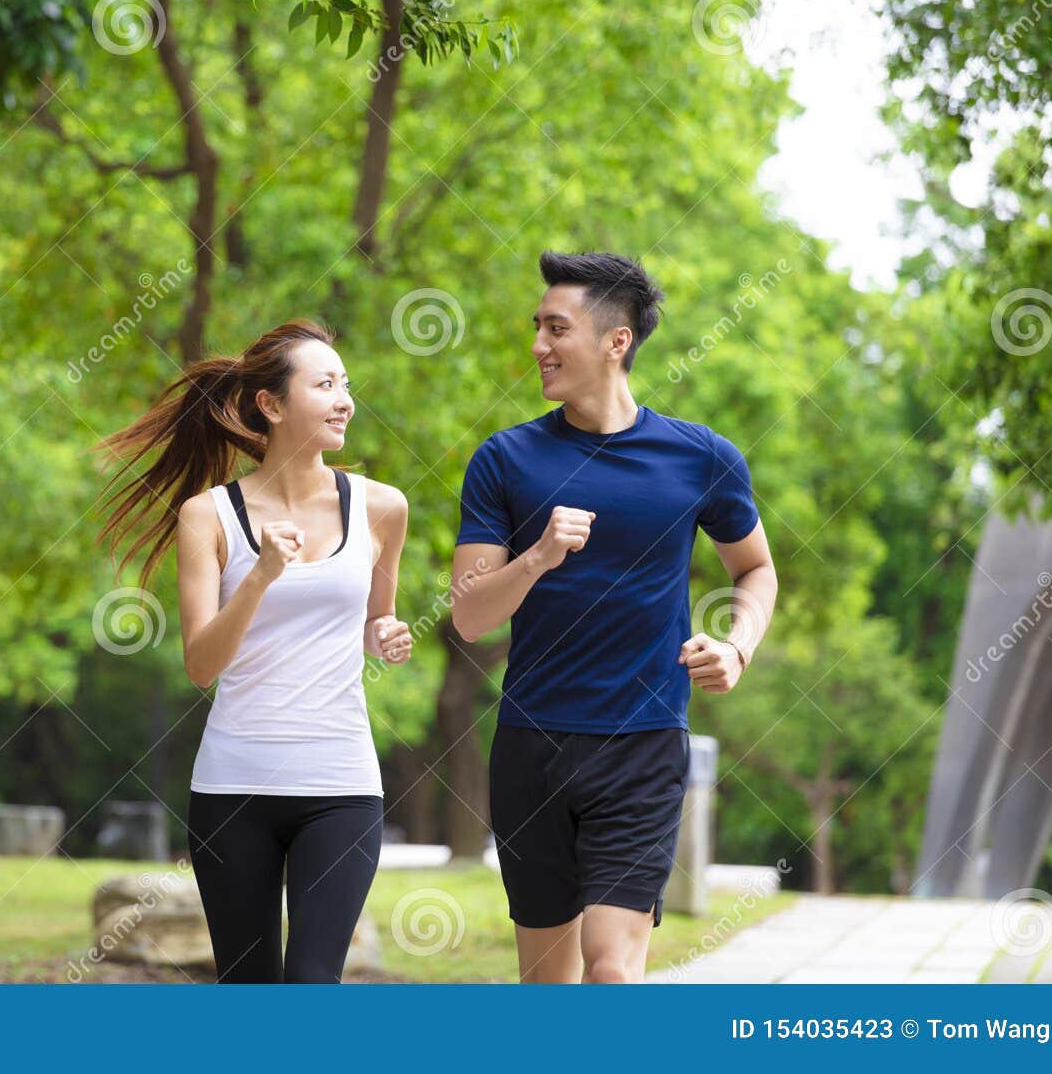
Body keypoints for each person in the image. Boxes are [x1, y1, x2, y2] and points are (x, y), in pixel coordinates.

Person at [450, 250, 778, 984]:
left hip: (644, 743)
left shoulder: (701, 458)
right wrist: (534, 558)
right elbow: (469, 614)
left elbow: (754, 568)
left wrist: (738, 644)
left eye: (556, 328)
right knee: (549, 986)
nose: (538, 345)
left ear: (615, 341)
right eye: (536, 327)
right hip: (531, 744)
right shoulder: (504, 460)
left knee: (612, 971)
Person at [94, 319, 413, 983]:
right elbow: (202, 662)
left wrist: (385, 633)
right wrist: (263, 573)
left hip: (341, 783)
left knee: (311, 983)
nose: (345, 399)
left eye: (345, 383)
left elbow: (373, 619)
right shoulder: (208, 516)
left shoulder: (383, 507)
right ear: (271, 403)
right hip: (235, 786)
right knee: (247, 984)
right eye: (325, 383)